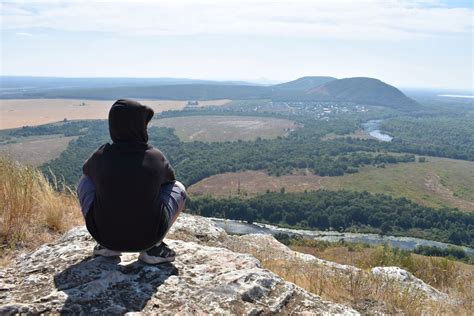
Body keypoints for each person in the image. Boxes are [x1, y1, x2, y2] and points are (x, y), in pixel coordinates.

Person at [77, 99, 186, 264]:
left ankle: (108, 248)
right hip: (148, 238)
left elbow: (87, 173)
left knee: (85, 182)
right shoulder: (154, 157)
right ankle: (154, 248)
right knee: (178, 188)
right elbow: (170, 181)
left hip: (104, 236)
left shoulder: (101, 155)